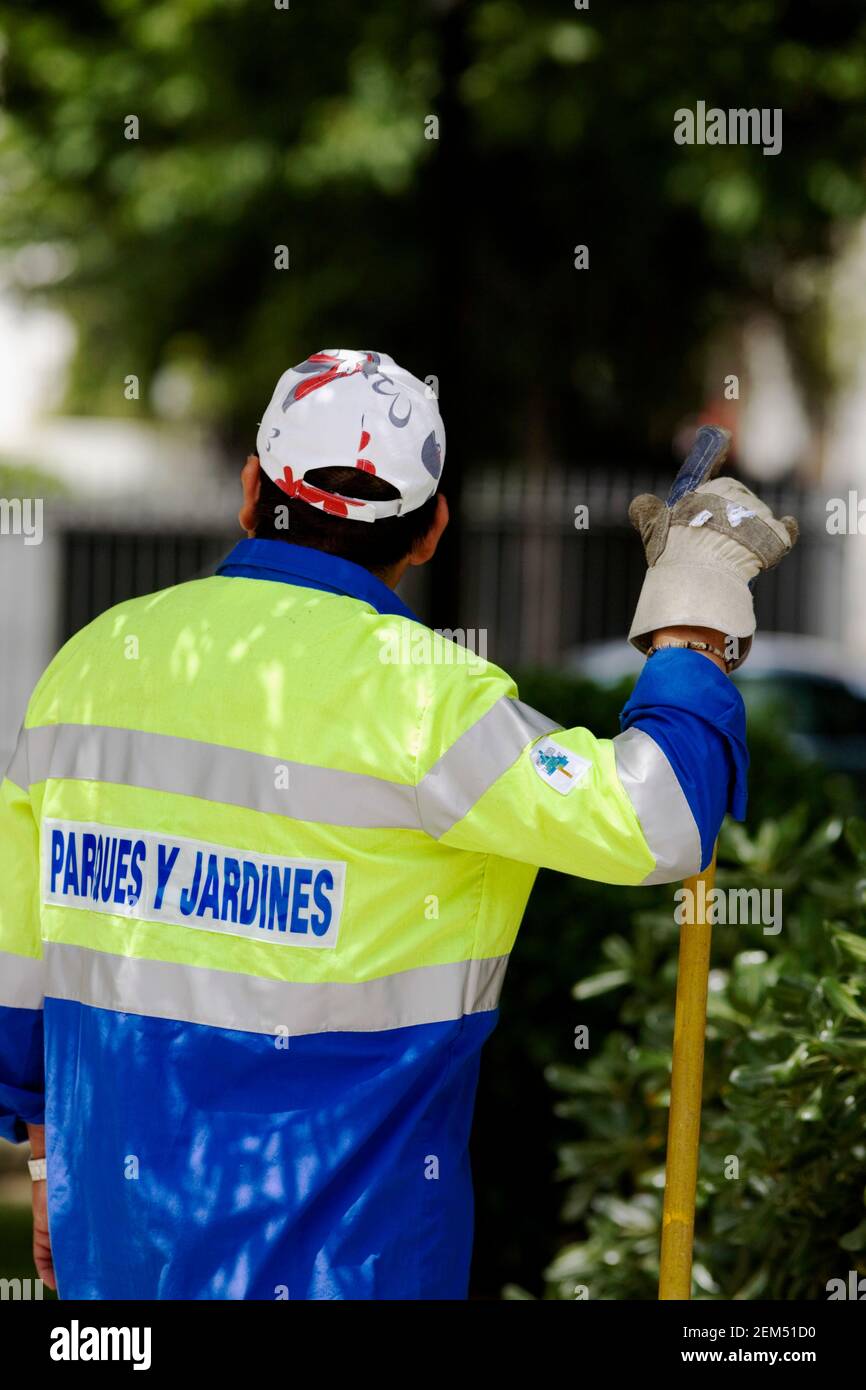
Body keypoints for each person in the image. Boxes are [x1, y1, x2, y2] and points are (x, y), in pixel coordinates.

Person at [0, 348, 796, 1300]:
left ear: (252, 491)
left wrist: (48, 1179)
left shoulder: (88, 667)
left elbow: (21, 979)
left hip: (114, 1278)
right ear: (430, 534)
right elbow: (658, 817)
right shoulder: (426, 702)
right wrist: (693, 616)